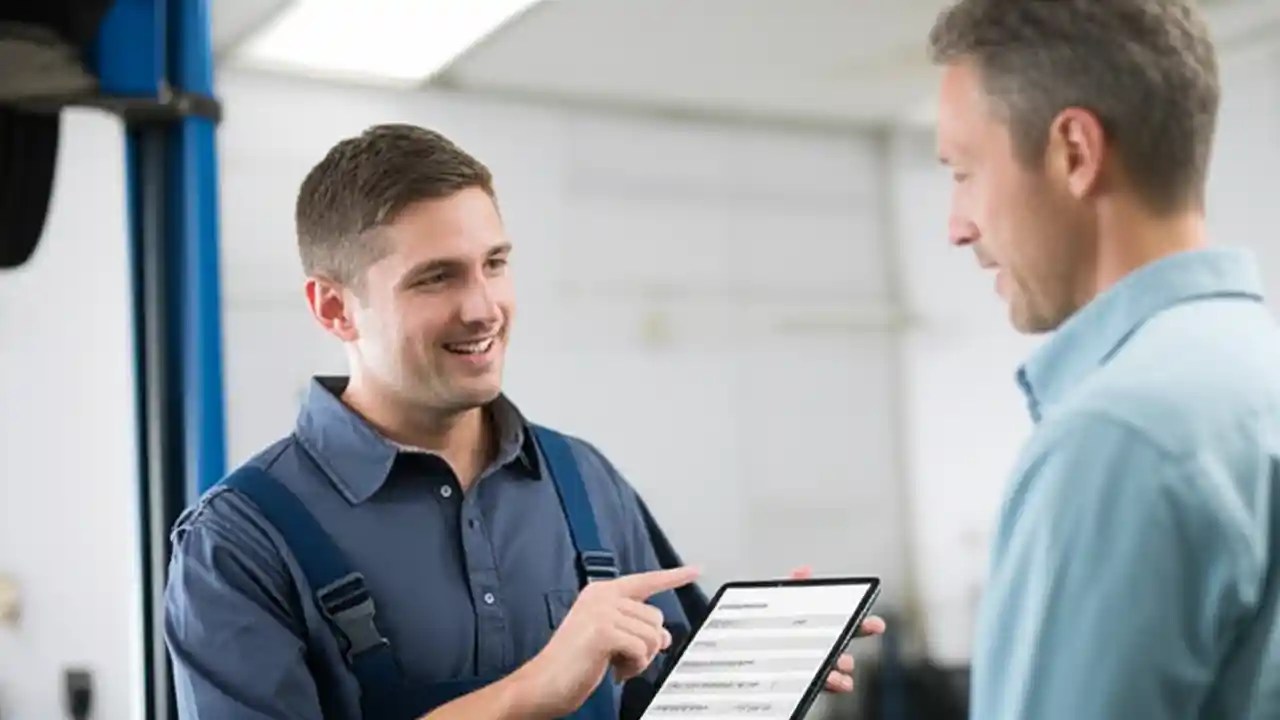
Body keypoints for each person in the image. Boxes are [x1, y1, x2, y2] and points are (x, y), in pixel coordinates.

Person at [163, 124, 882, 719]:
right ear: (333, 308)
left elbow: (662, 704)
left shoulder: (584, 482)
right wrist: (536, 691)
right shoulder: (239, 542)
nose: (484, 307)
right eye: (436, 277)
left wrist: (754, 680)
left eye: (495, 263)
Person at [927, 1, 1280, 718]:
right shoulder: (1256, 372)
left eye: (964, 173)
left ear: (1075, 154)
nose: (956, 226)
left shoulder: (1122, 437)